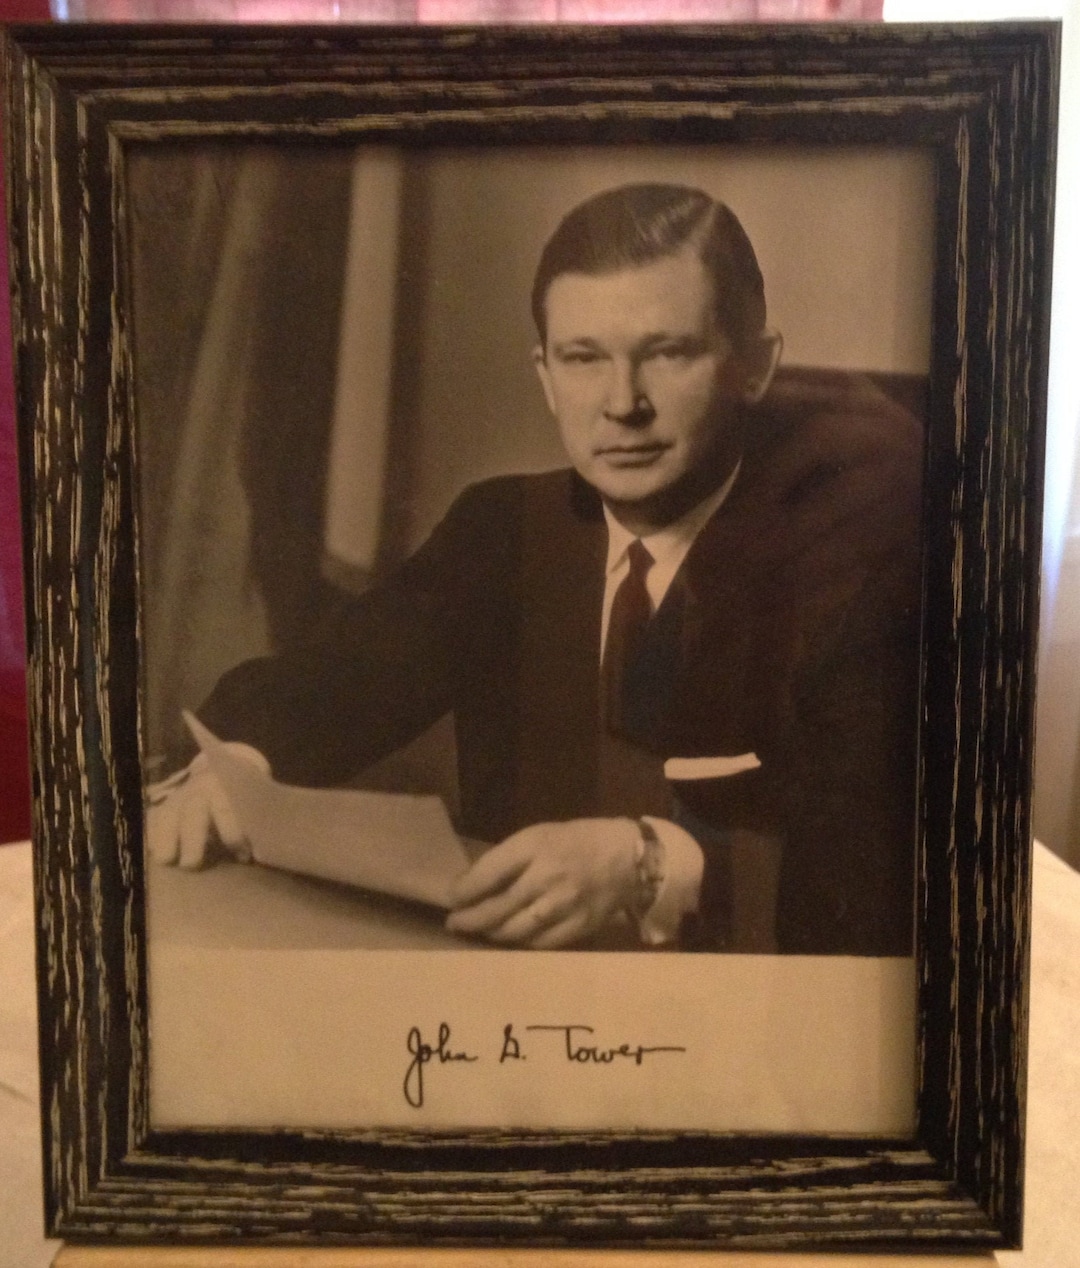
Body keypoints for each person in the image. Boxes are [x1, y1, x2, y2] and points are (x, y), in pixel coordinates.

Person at [148, 182, 922, 956]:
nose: (622, 404)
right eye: (584, 359)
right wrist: (239, 767)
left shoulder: (857, 559)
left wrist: (647, 863)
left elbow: (877, 864)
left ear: (753, 368)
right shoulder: (503, 530)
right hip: (509, 1002)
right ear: (547, 376)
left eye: (667, 353)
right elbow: (330, 682)